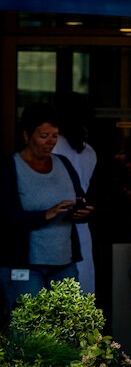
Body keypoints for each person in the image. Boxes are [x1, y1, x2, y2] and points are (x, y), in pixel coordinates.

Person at [1, 103, 92, 313]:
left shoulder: (63, 164)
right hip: (25, 266)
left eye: (54, 136)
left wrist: (82, 212)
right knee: (28, 332)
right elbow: (5, 218)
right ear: (27, 135)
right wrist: (46, 214)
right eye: (44, 136)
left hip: (63, 262)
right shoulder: (9, 168)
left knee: (66, 329)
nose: (50, 142)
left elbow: (78, 199)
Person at [51, 96, 98, 294]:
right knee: (82, 290)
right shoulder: (89, 152)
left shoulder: (53, 148)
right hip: (81, 225)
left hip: (55, 223)